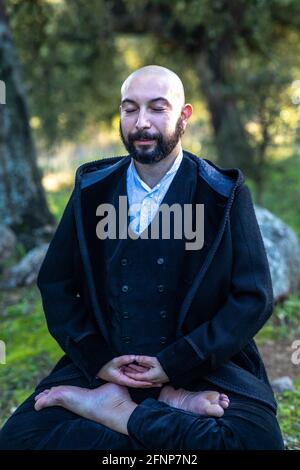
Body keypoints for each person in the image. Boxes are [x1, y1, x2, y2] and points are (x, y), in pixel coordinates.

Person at [0, 65, 284, 450]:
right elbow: (56, 284)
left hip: (204, 369)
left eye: (157, 108)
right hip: (106, 370)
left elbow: (253, 297)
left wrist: (177, 365)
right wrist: (98, 360)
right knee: (17, 441)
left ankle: (119, 414)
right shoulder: (91, 189)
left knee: (255, 442)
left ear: (184, 116)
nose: (141, 123)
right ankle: (150, 412)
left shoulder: (223, 194)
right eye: (130, 109)